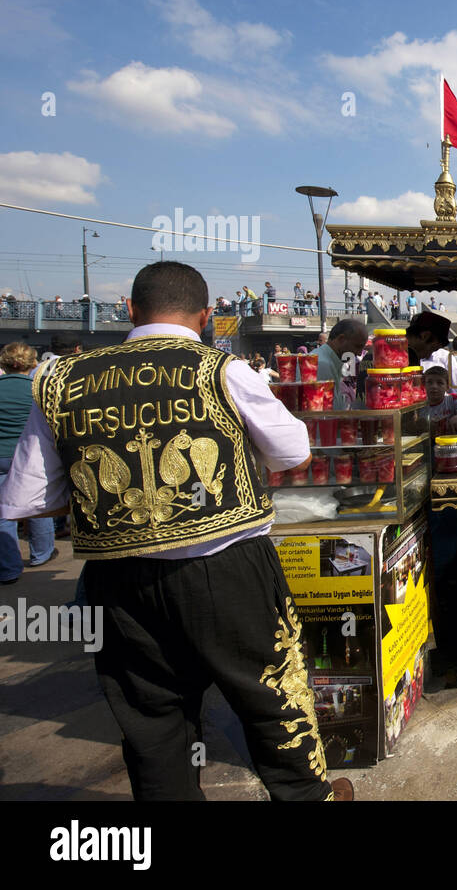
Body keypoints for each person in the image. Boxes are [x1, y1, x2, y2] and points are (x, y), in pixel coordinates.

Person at [0, 261, 350, 800]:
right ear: (207, 316)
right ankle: (308, 799)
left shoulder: (61, 380)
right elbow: (293, 451)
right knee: (269, 699)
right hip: (227, 570)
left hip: (119, 582)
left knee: (153, 721)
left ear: (132, 311)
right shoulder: (222, 370)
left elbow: (24, 499)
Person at [0, 343, 57, 582]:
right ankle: (41, 554)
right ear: (33, 363)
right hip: (29, 455)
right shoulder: (39, 390)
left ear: (4, 363)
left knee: (3, 513)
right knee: (36, 505)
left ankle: (8, 568)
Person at [313, 318, 368, 411]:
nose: (359, 353)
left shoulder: (330, 361)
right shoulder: (322, 364)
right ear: (341, 339)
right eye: (357, 346)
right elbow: (323, 415)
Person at [419, 366, 457, 437]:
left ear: (447, 387)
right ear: (424, 385)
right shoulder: (420, 406)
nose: (434, 386)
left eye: (440, 383)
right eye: (430, 382)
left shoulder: (452, 399)